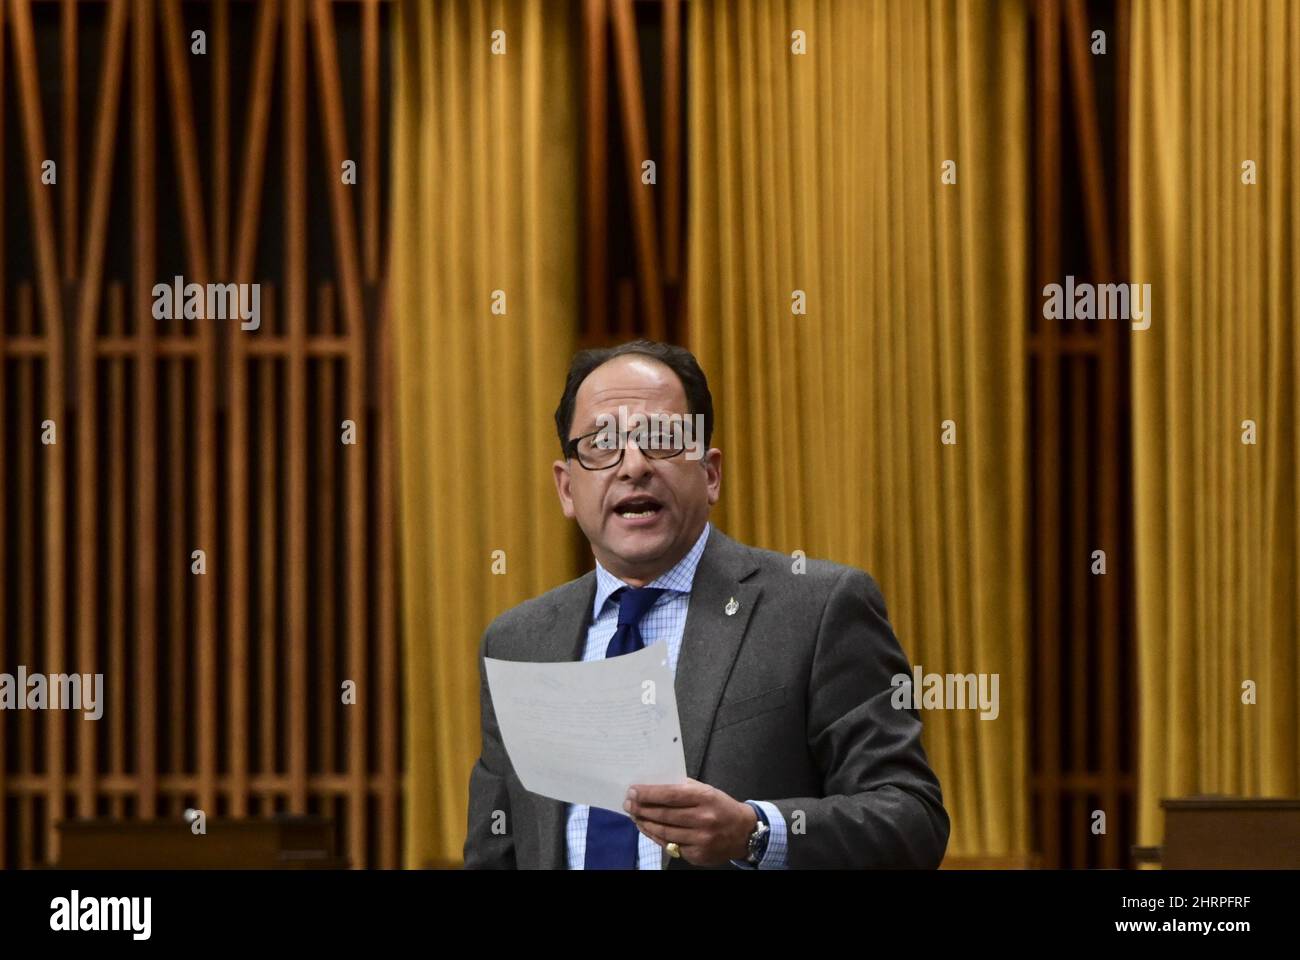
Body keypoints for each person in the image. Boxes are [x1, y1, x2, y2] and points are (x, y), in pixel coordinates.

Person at [464, 340, 949, 869]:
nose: (633, 466)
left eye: (663, 439)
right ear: (565, 487)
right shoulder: (519, 642)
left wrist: (756, 833)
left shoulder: (816, 609)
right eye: (602, 444)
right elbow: (496, 850)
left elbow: (912, 819)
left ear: (711, 473)